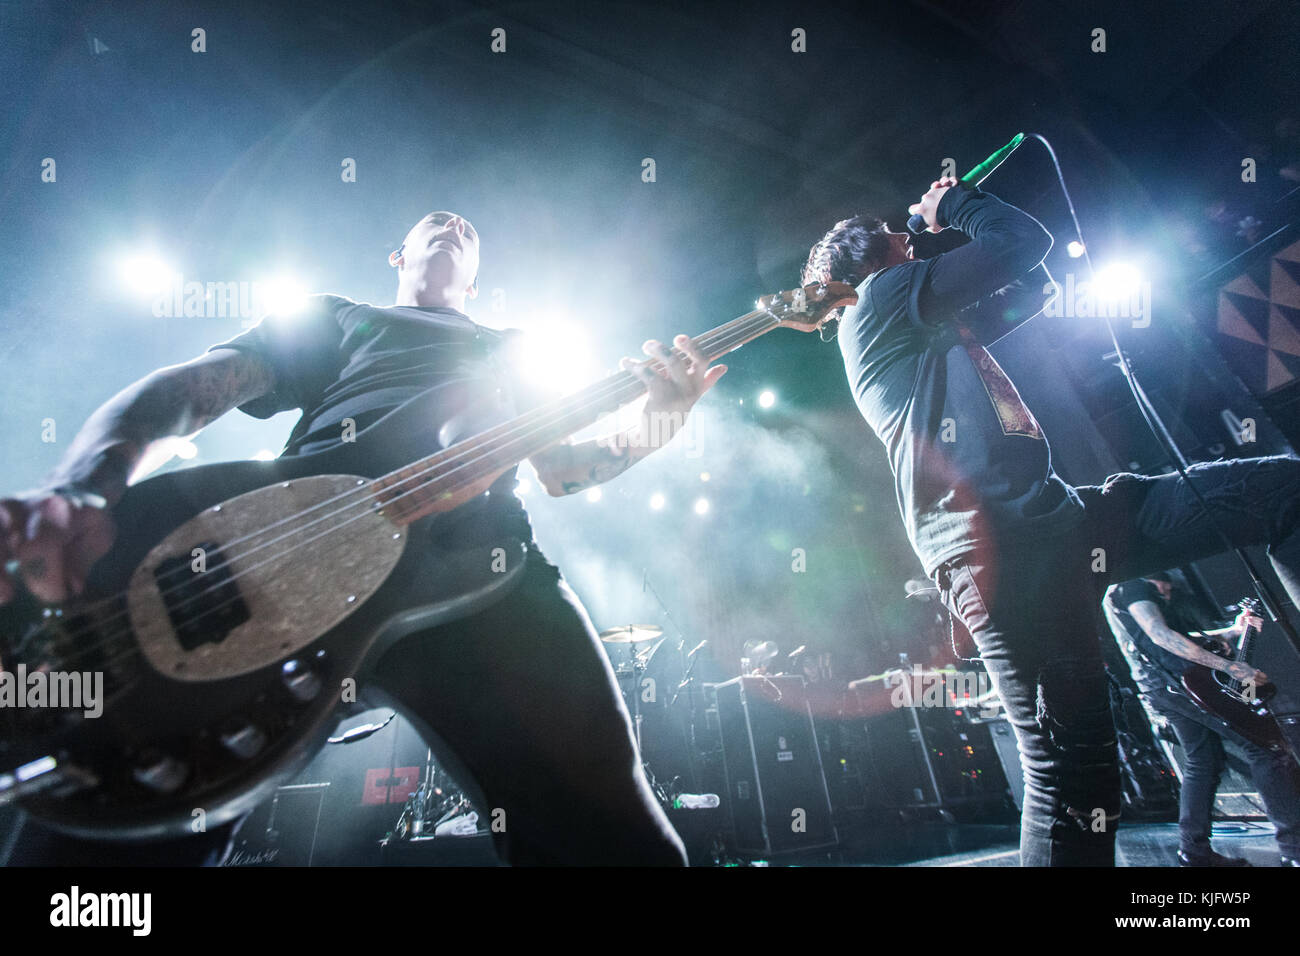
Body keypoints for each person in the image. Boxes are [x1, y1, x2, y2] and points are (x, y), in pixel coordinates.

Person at [0, 210, 727, 866]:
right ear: (397, 254)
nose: (452, 225)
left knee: (616, 845)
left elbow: (565, 470)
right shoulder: (342, 319)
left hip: (478, 574)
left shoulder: (511, 349)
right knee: (105, 833)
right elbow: (192, 389)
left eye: (468, 230)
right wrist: (85, 488)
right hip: (274, 560)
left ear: (478, 279)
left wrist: (657, 419)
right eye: (435, 222)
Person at [802, 176, 1300, 866]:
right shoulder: (877, 302)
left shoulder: (920, 314)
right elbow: (1022, 243)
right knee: (1070, 769)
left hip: (1060, 519)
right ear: (862, 257)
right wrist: (954, 205)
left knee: (1281, 493)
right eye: (895, 231)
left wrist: (955, 233)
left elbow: (1027, 284)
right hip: (996, 549)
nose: (908, 233)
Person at [1104, 572, 1300, 866]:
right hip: (1178, 682)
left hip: (1169, 684)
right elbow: (1159, 635)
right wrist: (1230, 668)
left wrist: (1232, 631)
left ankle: (1194, 851)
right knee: (1263, 747)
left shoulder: (1157, 587)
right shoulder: (1131, 586)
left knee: (1203, 760)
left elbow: (1179, 636)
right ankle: (1294, 849)